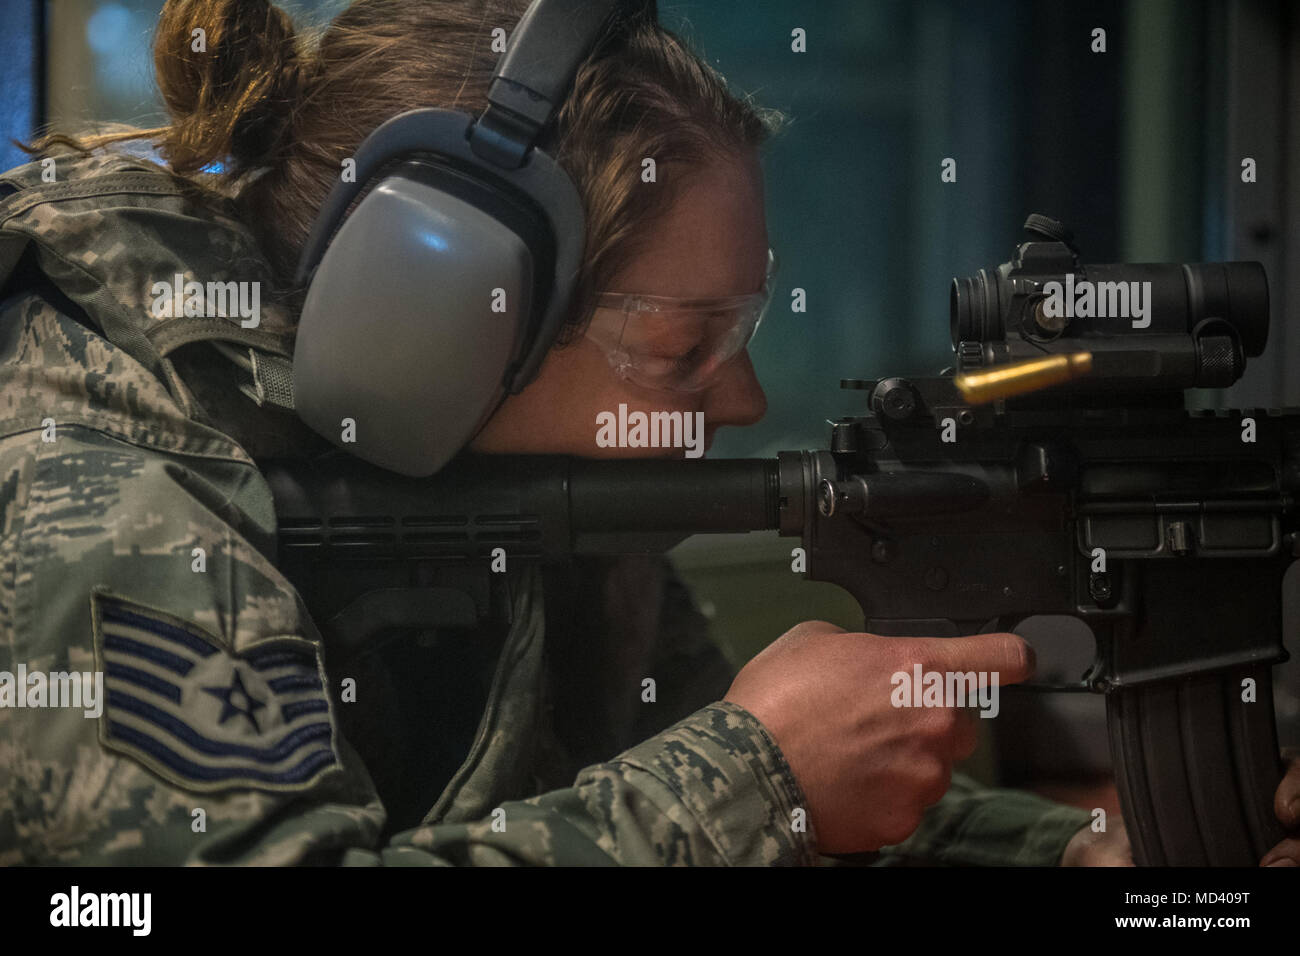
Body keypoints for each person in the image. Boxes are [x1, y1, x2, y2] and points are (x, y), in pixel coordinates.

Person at [2, 0, 1289, 866]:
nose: (739, 403)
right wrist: (757, 777)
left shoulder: (512, 469)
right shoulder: (104, 496)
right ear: (436, 325)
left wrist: (1059, 851)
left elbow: (643, 764)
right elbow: (721, 784)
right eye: (683, 345)